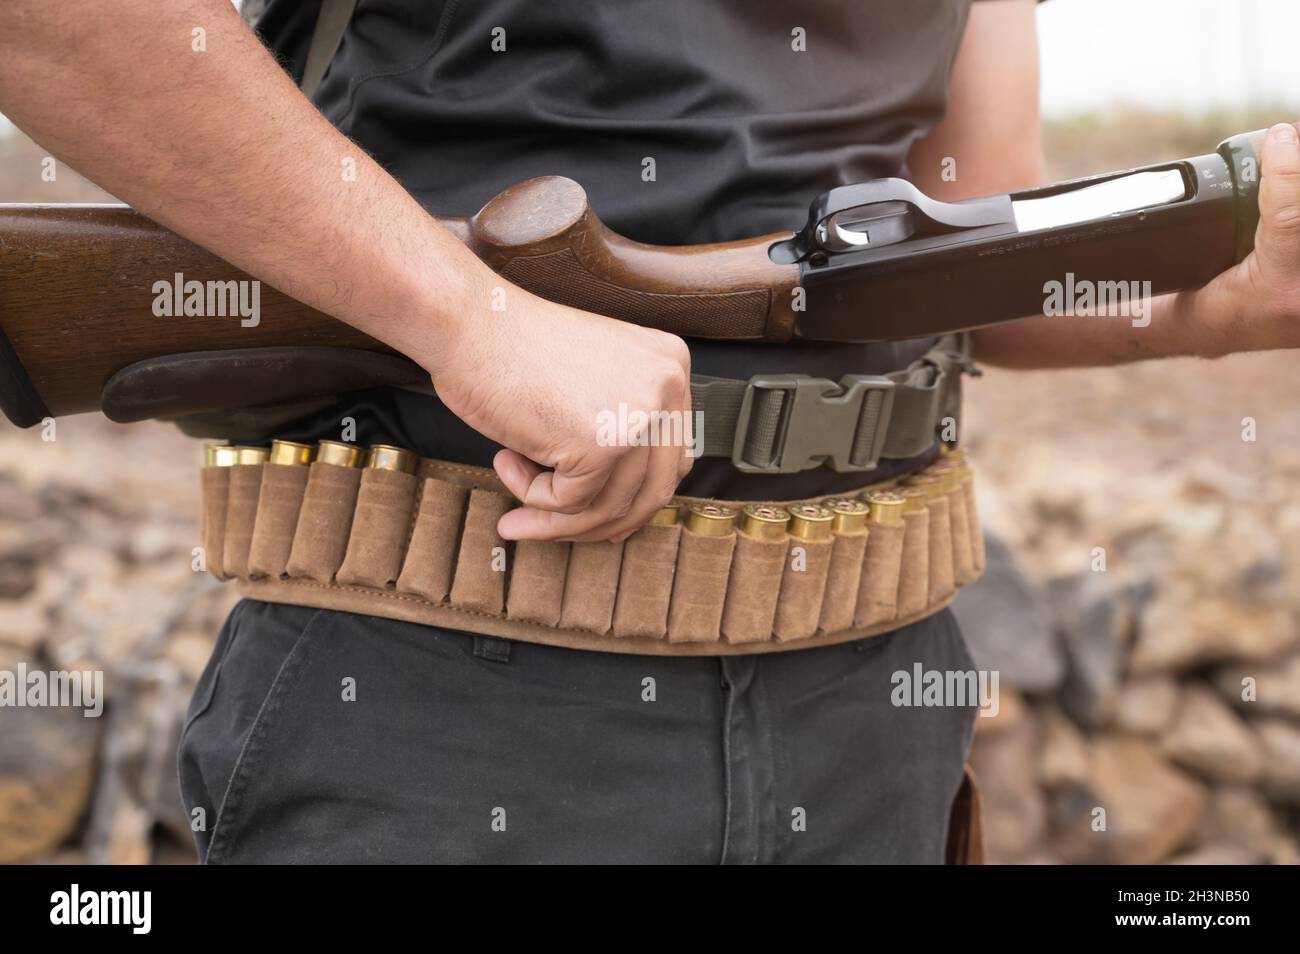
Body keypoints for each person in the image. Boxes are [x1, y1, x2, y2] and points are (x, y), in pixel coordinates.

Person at [3, 0, 1297, 863]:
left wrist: (1216, 293)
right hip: (455, 690)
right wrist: (465, 317)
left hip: (869, 704)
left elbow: (970, 219)